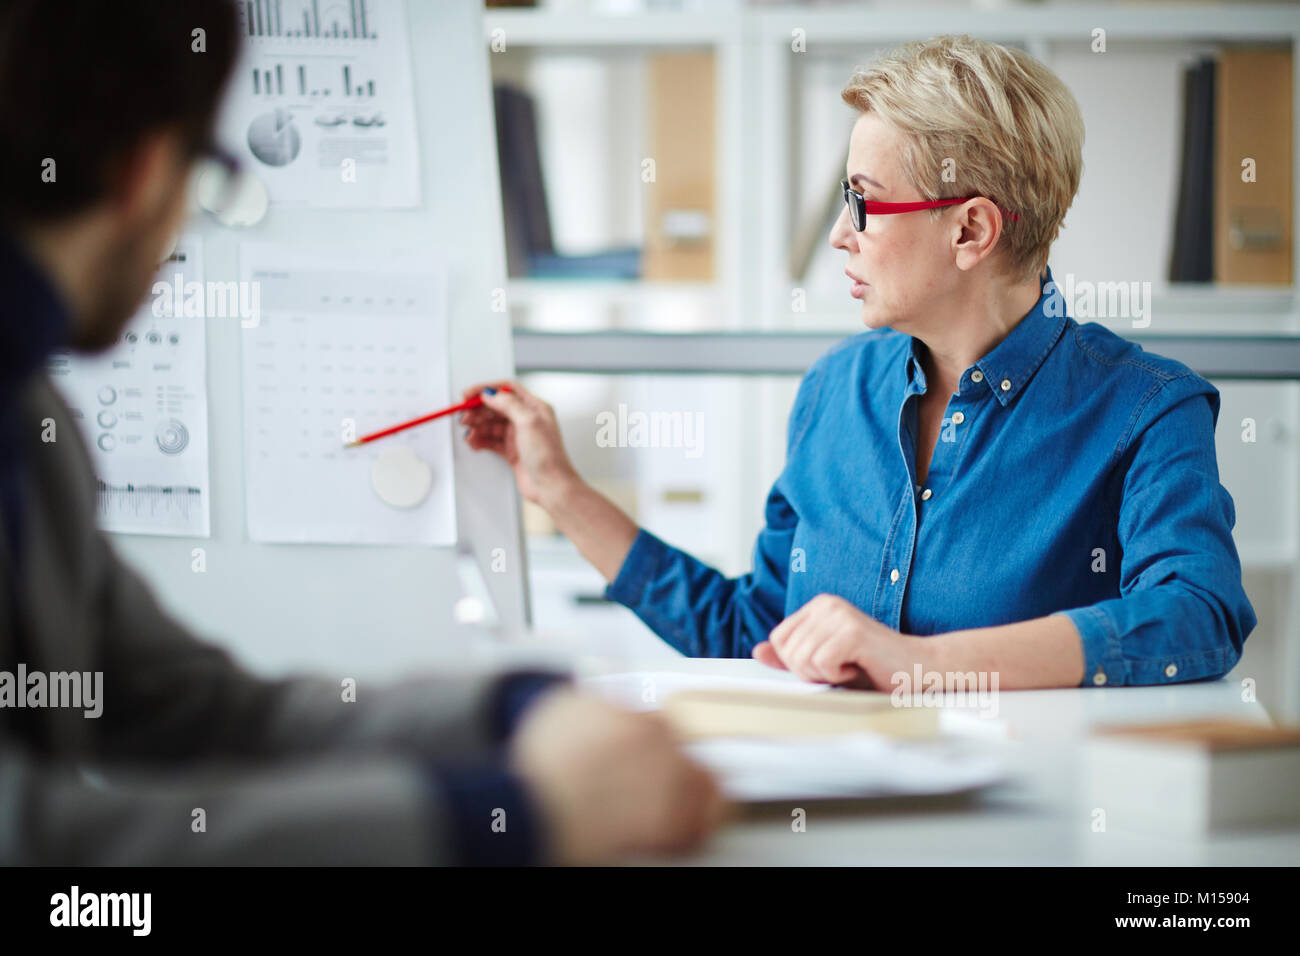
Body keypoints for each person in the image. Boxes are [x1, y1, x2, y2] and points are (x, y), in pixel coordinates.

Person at [0, 0, 722, 865]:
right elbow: (38, 841)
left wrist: (511, 709)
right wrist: (508, 815)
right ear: (146, 172)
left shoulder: (33, 424)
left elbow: (199, 708)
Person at [463, 34, 1256, 691]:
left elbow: (1198, 615)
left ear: (971, 231)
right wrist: (559, 491)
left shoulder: (1149, 410)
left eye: (864, 202)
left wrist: (924, 664)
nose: (841, 236)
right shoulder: (834, 392)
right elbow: (753, 632)